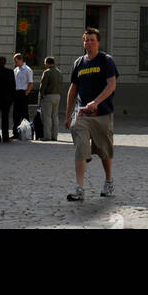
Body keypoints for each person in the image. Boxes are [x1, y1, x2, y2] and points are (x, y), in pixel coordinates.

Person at [64, 28, 117, 202]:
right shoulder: (79, 63)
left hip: (102, 114)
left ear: (98, 42)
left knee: (104, 150)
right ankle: (79, 188)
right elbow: (73, 90)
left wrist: (96, 102)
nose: (89, 43)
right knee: (80, 144)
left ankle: (108, 181)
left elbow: (111, 85)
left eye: (92, 40)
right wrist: (68, 114)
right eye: (86, 40)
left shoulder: (106, 60)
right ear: (83, 43)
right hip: (82, 114)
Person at [0, 56, 15, 142]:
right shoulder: (10, 72)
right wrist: (12, 98)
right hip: (6, 99)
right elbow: (13, 86)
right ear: (5, 63)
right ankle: (5, 137)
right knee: (5, 118)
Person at [38, 56, 62, 141]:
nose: (45, 64)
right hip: (57, 96)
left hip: (48, 96)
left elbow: (42, 86)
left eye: (45, 63)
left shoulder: (47, 72)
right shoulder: (59, 72)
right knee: (55, 116)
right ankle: (54, 136)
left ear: (48, 63)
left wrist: (41, 96)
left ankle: (47, 136)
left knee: (47, 117)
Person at [12, 53, 33, 136]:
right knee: (15, 114)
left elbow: (30, 84)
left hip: (23, 92)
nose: (15, 63)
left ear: (21, 60)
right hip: (16, 92)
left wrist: (25, 94)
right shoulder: (16, 70)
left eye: (16, 61)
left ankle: (27, 132)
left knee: (24, 113)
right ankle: (16, 133)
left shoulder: (27, 69)